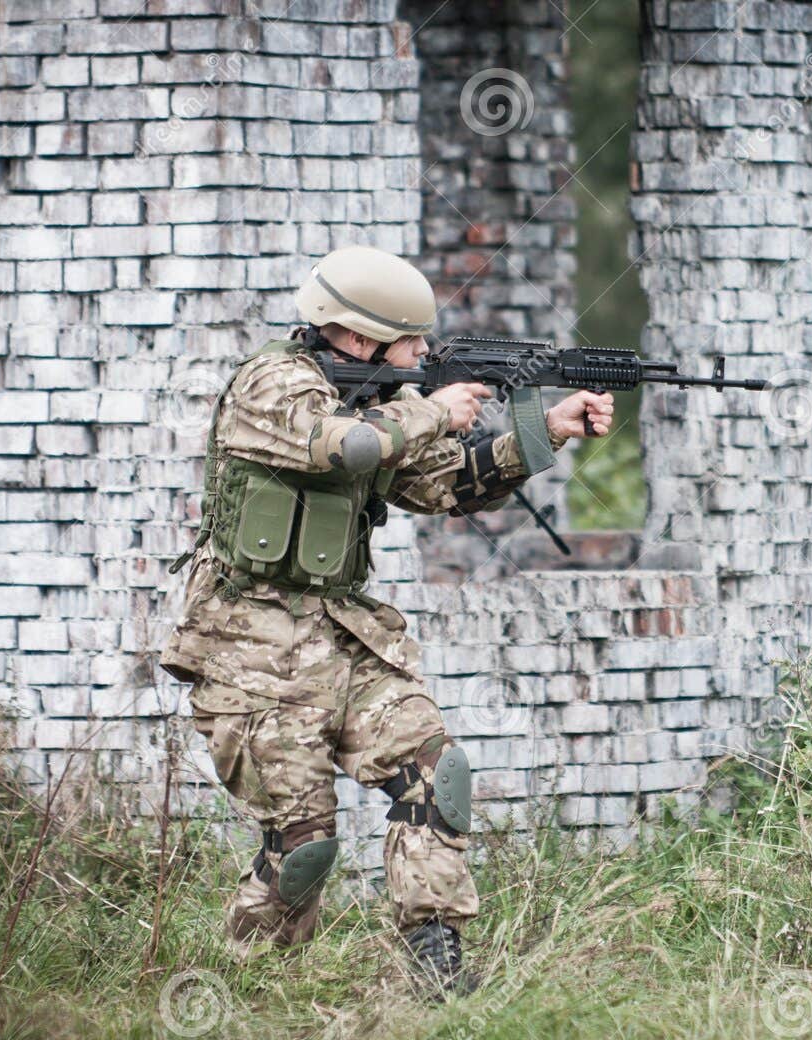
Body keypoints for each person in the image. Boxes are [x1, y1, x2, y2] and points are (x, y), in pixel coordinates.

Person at [159, 246, 613, 992]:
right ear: (362, 337)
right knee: (304, 845)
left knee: (437, 773)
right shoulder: (274, 384)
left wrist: (549, 427)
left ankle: (436, 962)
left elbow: (448, 486)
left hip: (344, 633)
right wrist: (434, 408)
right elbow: (342, 448)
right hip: (251, 645)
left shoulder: (379, 402)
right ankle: (246, 984)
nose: (424, 353)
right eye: (413, 341)